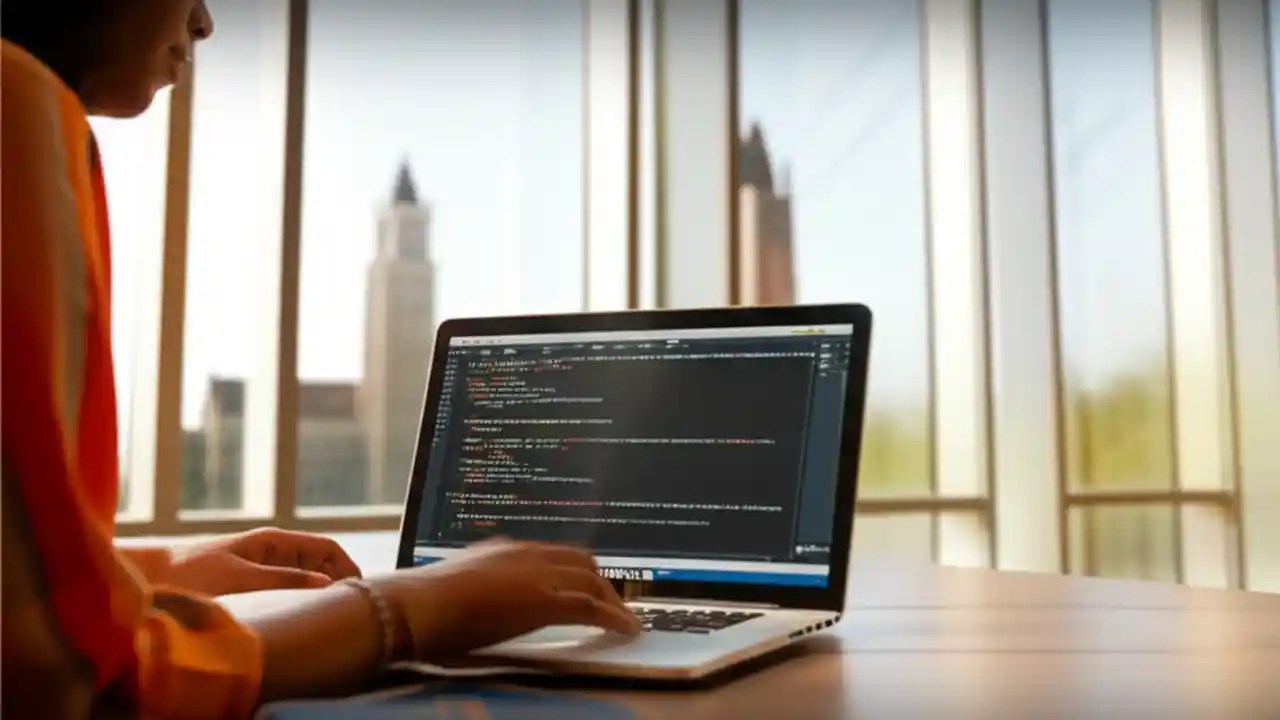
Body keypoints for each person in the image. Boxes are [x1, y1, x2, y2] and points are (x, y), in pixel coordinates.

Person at [0, 1, 640, 717]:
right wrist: (413, 607)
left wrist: (162, 573)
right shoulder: (14, 106)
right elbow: (70, 683)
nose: (205, 21)